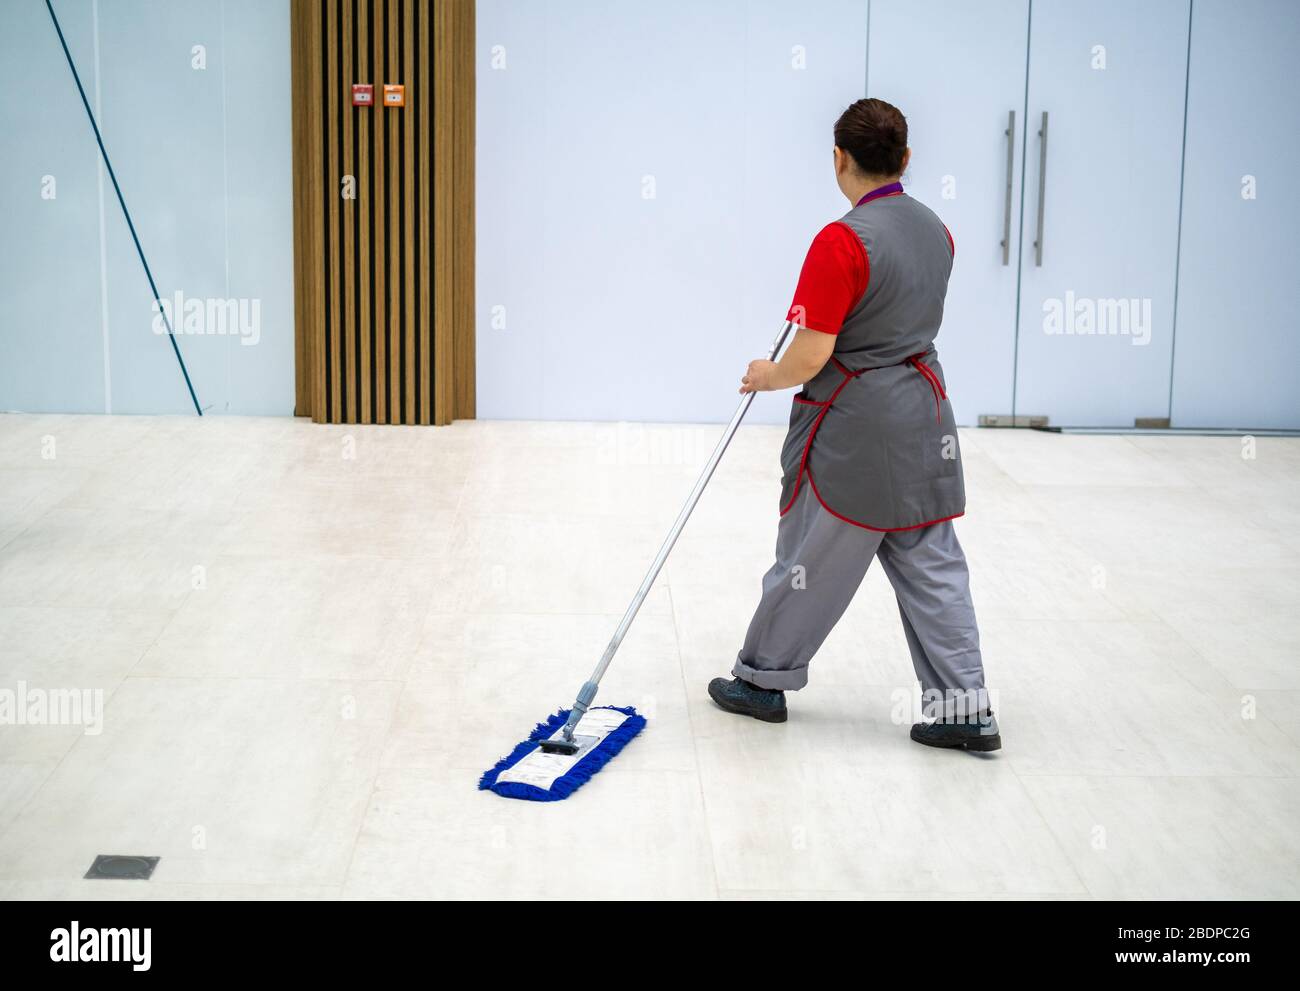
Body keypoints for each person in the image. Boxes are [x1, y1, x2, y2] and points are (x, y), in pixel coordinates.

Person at [707, 98, 1000, 752]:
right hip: (925, 419)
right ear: (906, 159)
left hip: (856, 431)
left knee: (813, 559)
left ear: (839, 158)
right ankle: (964, 708)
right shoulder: (937, 231)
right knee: (933, 564)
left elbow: (812, 354)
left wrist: (764, 373)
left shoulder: (841, 242)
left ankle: (762, 679)